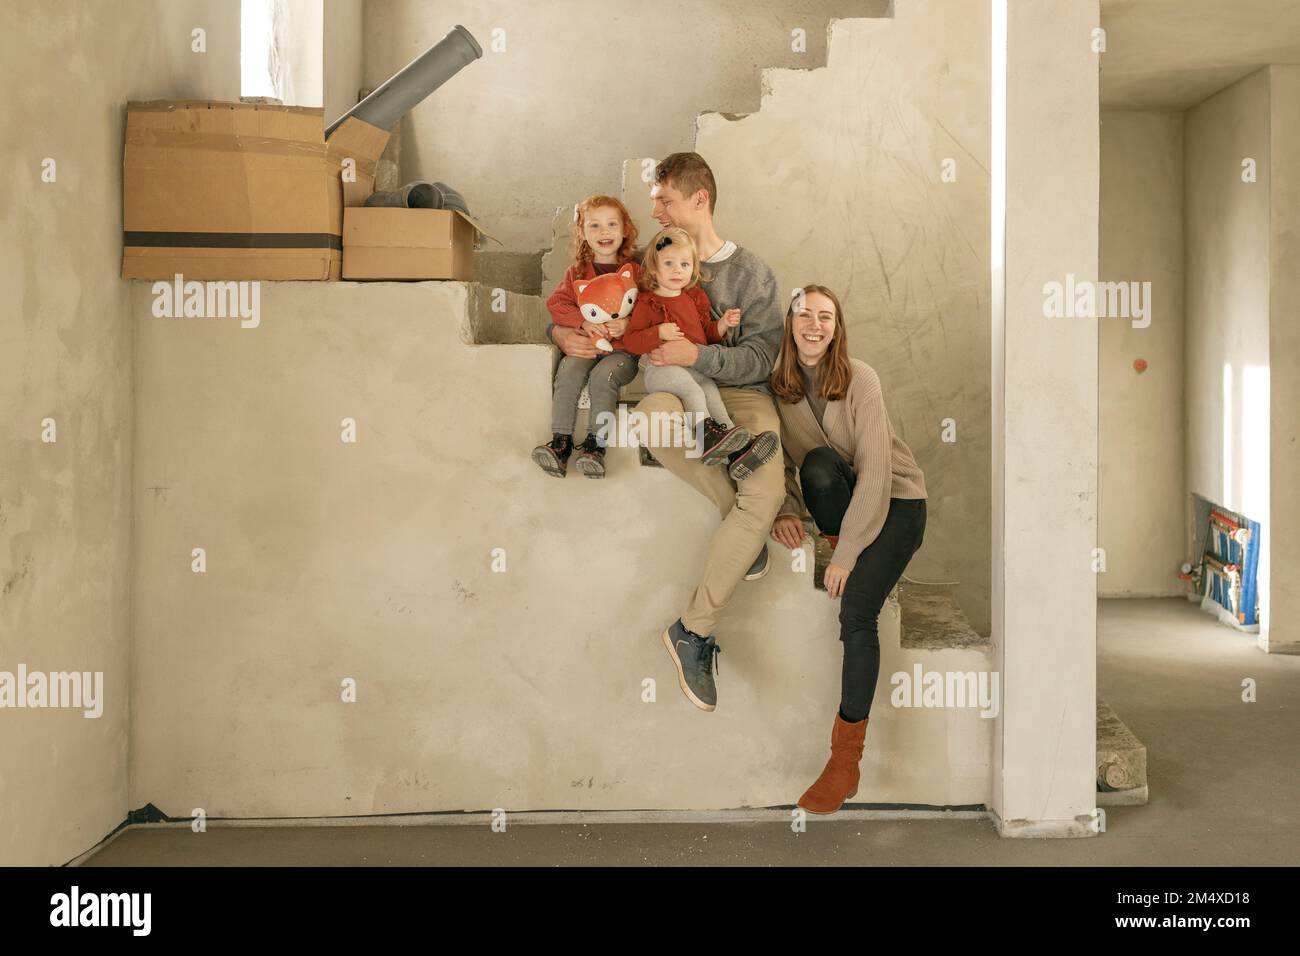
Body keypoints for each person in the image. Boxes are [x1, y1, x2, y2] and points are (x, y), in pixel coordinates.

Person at [545, 153, 785, 713]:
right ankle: (742, 531)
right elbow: (589, 296)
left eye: (664, 199)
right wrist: (564, 330)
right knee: (651, 418)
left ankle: (692, 631)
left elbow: (763, 357)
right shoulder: (644, 260)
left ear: (699, 200)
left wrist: (700, 353)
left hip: (742, 395)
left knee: (768, 493)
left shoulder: (752, 274)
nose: (652, 210)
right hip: (670, 389)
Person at [769, 285, 928, 813]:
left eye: (826, 318)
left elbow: (878, 473)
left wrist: (843, 555)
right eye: (805, 315)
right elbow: (787, 466)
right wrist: (788, 508)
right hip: (846, 510)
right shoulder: (778, 386)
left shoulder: (861, 377)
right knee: (816, 461)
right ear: (790, 323)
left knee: (857, 616)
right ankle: (853, 551)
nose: (815, 325)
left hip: (899, 502)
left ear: (837, 329)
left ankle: (844, 762)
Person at [620, 226, 779, 475]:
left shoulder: (692, 299)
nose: (677, 270)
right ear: (653, 268)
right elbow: (631, 341)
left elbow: (706, 335)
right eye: (669, 263)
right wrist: (658, 333)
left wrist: (723, 324)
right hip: (662, 369)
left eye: (684, 264)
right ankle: (706, 436)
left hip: (694, 367)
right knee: (692, 390)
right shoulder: (648, 303)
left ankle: (733, 445)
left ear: (693, 269)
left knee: (709, 390)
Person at [532, 195, 641, 479]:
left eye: (611, 224)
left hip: (622, 354)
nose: (604, 232)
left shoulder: (636, 272)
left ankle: (595, 446)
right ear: (582, 232)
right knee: (568, 370)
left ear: (625, 229)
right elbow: (557, 304)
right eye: (594, 226)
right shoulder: (577, 273)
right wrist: (581, 322)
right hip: (587, 346)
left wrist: (628, 323)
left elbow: (652, 308)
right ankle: (560, 442)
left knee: (602, 377)